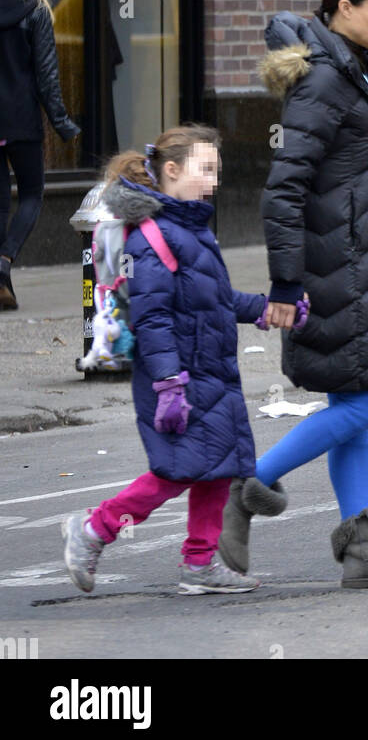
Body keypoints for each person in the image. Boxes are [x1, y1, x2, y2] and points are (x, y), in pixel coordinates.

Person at [218, 0, 368, 589]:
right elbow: (282, 191)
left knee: (352, 398)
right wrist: (287, 285)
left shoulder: (349, 70)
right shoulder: (323, 81)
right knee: (363, 407)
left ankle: (364, 553)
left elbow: (336, 164)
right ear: (344, 8)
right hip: (335, 269)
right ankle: (250, 486)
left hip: (356, 261)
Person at [61, 124, 279, 596]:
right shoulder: (155, 237)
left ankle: (199, 562)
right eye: (206, 169)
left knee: (216, 470)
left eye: (217, 170)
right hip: (179, 378)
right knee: (174, 472)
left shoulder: (192, 230)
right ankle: (95, 529)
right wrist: (168, 384)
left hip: (211, 373)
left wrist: (266, 309)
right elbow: (153, 318)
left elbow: (214, 301)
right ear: (173, 171)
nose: (214, 180)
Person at [0, 0, 79, 309]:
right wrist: (63, 123)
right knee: (31, 193)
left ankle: (2, 281)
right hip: (21, 123)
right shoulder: (35, 10)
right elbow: (47, 78)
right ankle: (4, 263)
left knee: (0, 203)